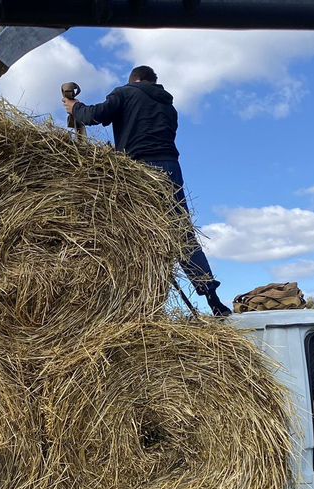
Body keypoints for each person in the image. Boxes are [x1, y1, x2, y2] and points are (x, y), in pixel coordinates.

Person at [63, 65, 231, 317]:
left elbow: (96, 115)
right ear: (153, 82)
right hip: (170, 169)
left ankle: (135, 301)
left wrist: (75, 108)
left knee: (131, 231)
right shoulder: (168, 107)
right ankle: (211, 295)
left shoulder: (126, 92)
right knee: (180, 232)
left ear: (135, 79)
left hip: (140, 169)